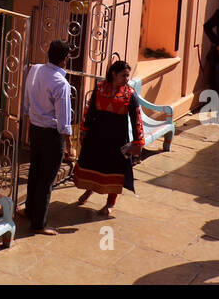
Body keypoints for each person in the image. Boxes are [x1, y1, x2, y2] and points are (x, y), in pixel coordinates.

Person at [73, 60, 144, 216]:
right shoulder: (100, 88)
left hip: (117, 138)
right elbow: (90, 110)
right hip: (97, 134)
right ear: (114, 74)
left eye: (128, 76)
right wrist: (84, 130)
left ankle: (111, 202)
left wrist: (138, 142)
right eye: (123, 75)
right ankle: (89, 190)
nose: (126, 79)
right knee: (94, 164)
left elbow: (136, 119)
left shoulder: (130, 94)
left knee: (114, 169)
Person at [24, 40, 75, 235]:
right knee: (46, 180)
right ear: (64, 60)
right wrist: (69, 145)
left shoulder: (35, 70)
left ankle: (29, 210)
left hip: (35, 129)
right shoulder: (61, 83)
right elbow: (63, 119)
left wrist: (30, 118)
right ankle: (38, 223)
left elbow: (26, 101)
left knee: (35, 172)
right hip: (51, 135)